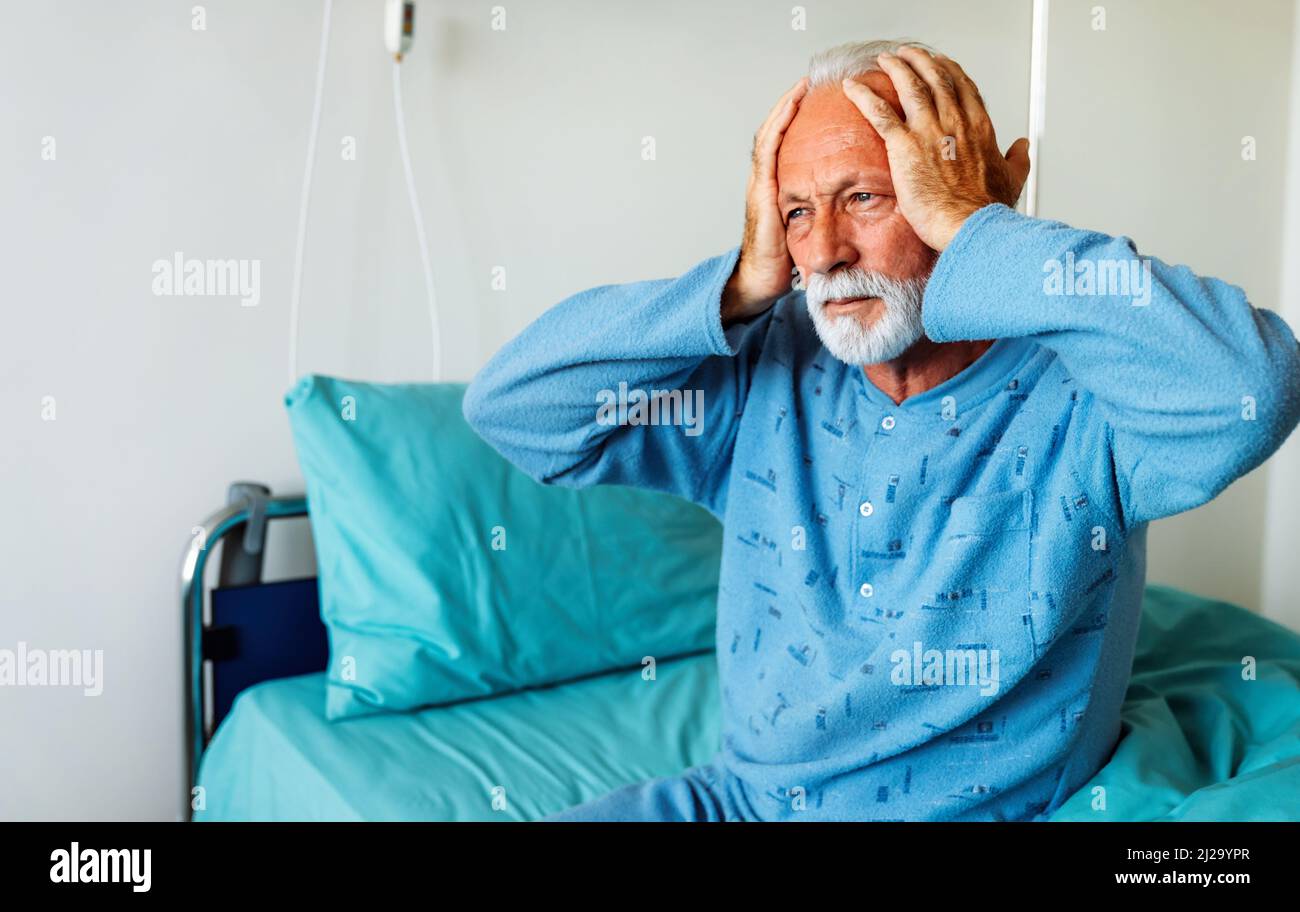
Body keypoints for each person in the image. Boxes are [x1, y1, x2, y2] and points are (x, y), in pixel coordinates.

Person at [463, 40, 1300, 821]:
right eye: (795, 211)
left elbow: (1252, 391)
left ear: (978, 201)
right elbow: (514, 410)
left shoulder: (1092, 391)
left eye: (865, 197)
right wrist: (739, 289)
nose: (823, 251)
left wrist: (985, 237)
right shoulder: (765, 365)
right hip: (744, 804)